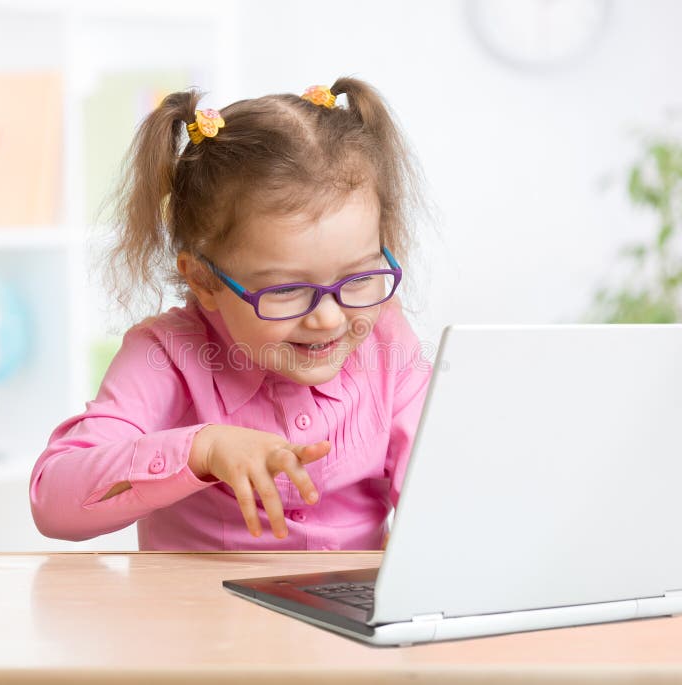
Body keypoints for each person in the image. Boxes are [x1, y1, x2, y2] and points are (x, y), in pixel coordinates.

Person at [30, 77, 433, 550]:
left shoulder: (385, 336)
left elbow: (437, 490)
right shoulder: (169, 354)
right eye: (288, 290)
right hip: (203, 620)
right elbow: (52, 499)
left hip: (349, 616)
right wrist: (202, 450)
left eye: (360, 278)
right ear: (205, 280)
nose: (329, 318)